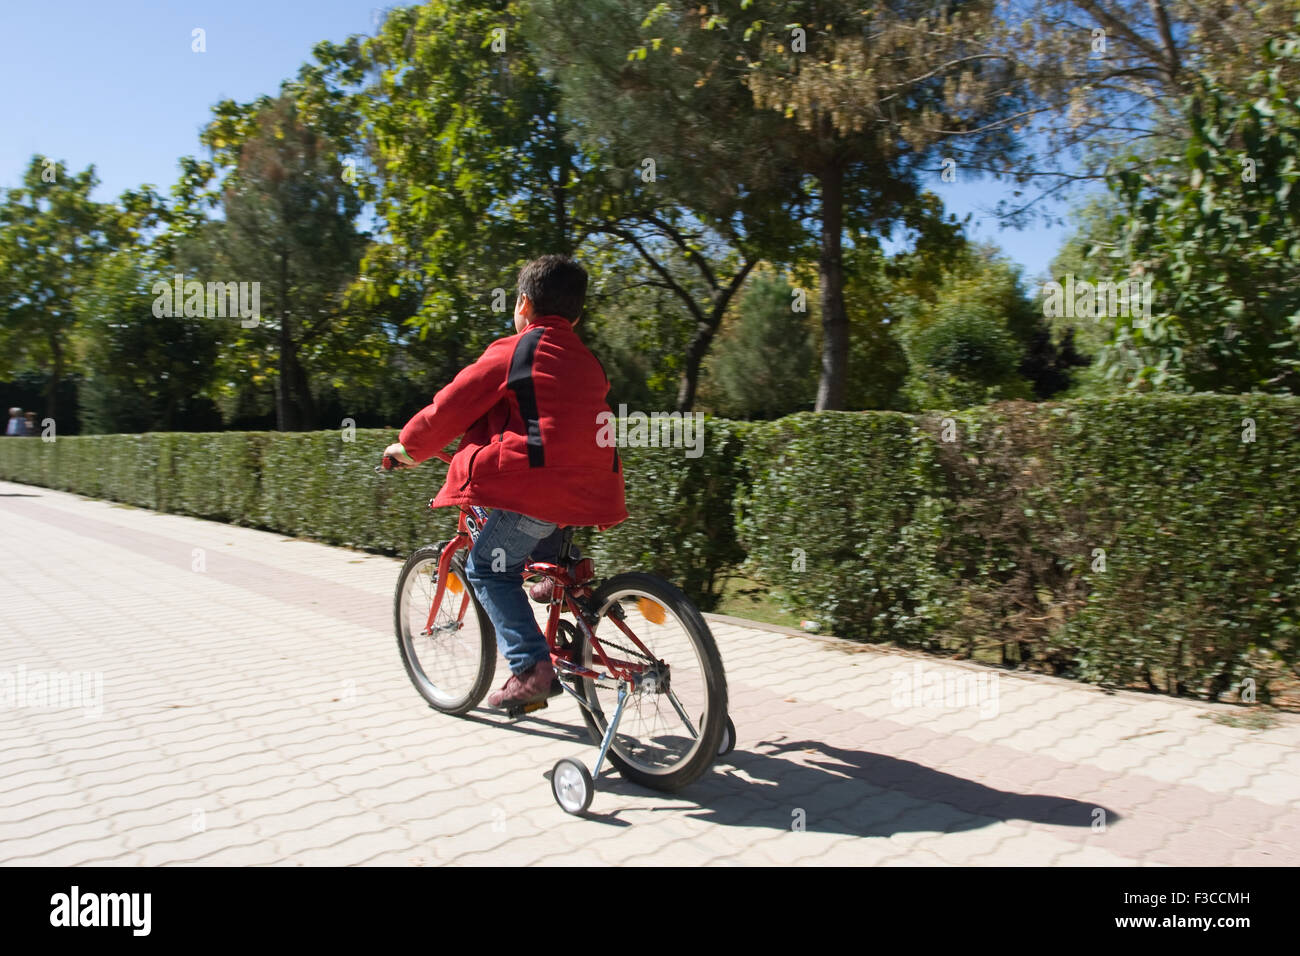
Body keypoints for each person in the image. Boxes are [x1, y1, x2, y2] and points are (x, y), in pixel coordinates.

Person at [382, 255, 627, 709]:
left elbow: (450, 407)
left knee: (487, 569)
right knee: (536, 538)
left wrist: (409, 448)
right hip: (595, 486)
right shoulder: (588, 361)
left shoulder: (515, 350)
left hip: (540, 486)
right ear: (576, 315)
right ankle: (563, 575)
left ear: (523, 305)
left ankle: (531, 668)